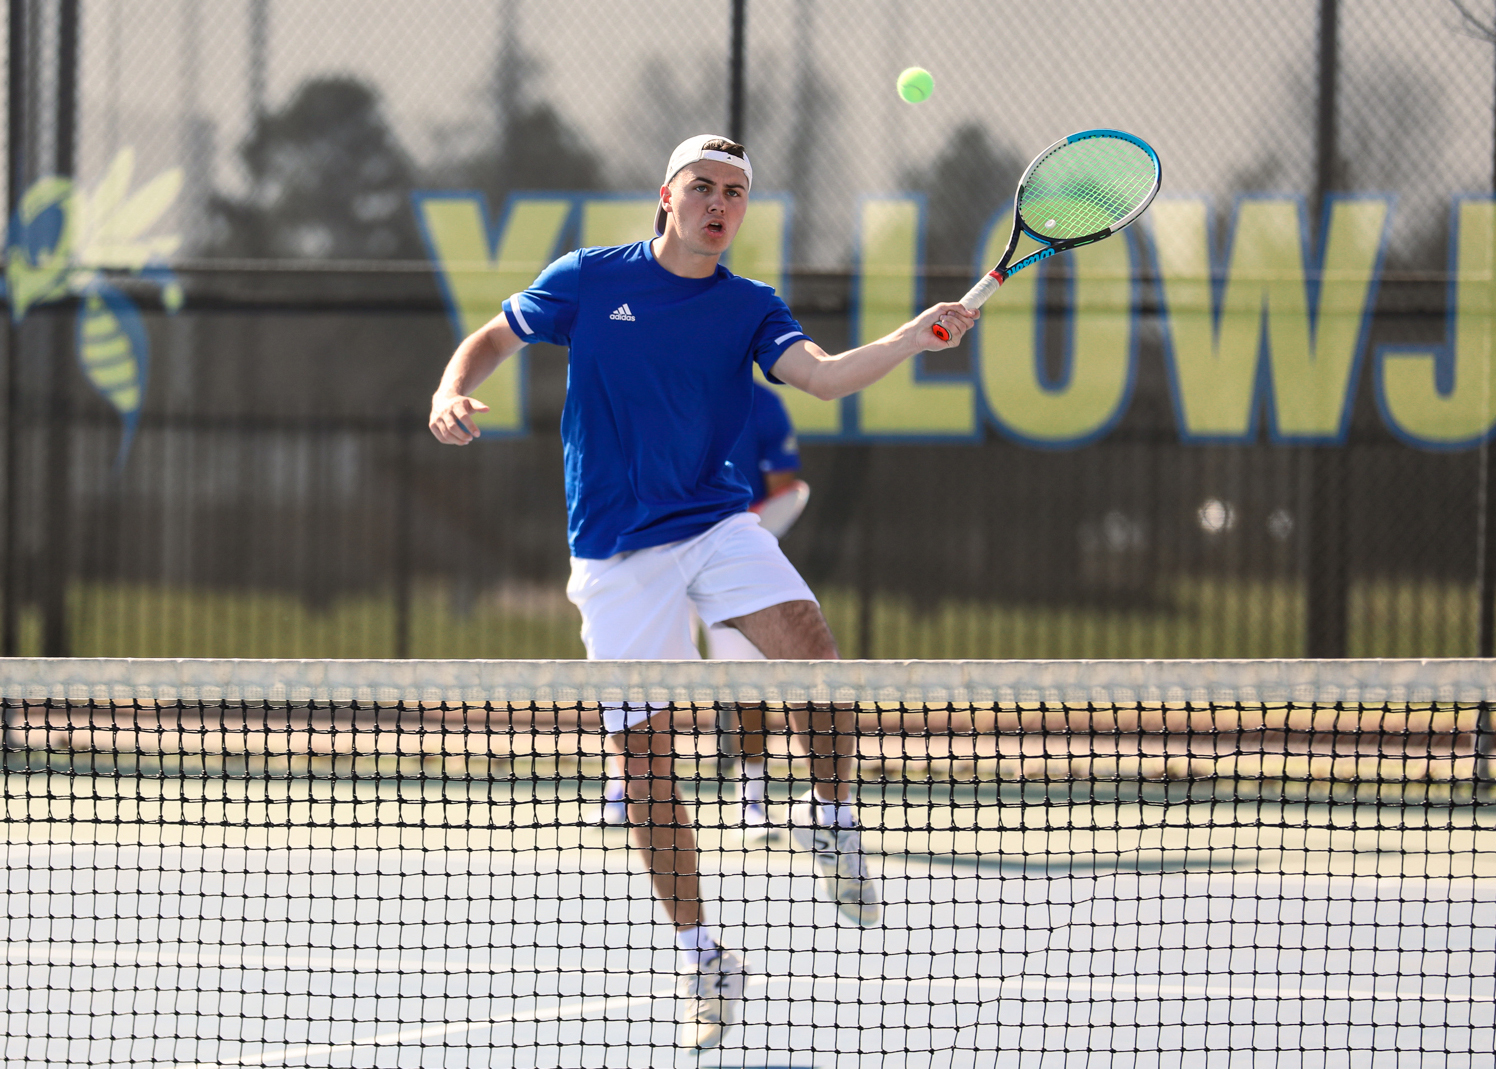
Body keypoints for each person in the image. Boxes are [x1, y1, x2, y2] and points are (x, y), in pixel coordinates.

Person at [428, 134, 976, 1051]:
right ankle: (701, 952)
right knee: (646, 764)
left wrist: (912, 336)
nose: (720, 204)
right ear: (667, 197)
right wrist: (450, 392)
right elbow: (493, 336)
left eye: (735, 192)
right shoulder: (590, 278)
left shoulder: (750, 306)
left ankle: (830, 815)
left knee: (812, 647)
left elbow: (826, 378)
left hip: (717, 524)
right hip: (614, 551)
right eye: (704, 187)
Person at [594, 381, 808, 840]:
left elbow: (783, 487)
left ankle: (751, 798)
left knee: (746, 680)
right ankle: (624, 787)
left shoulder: (763, 405)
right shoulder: (648, 395)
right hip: (648, 552)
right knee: (633, 674)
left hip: (724, 559)